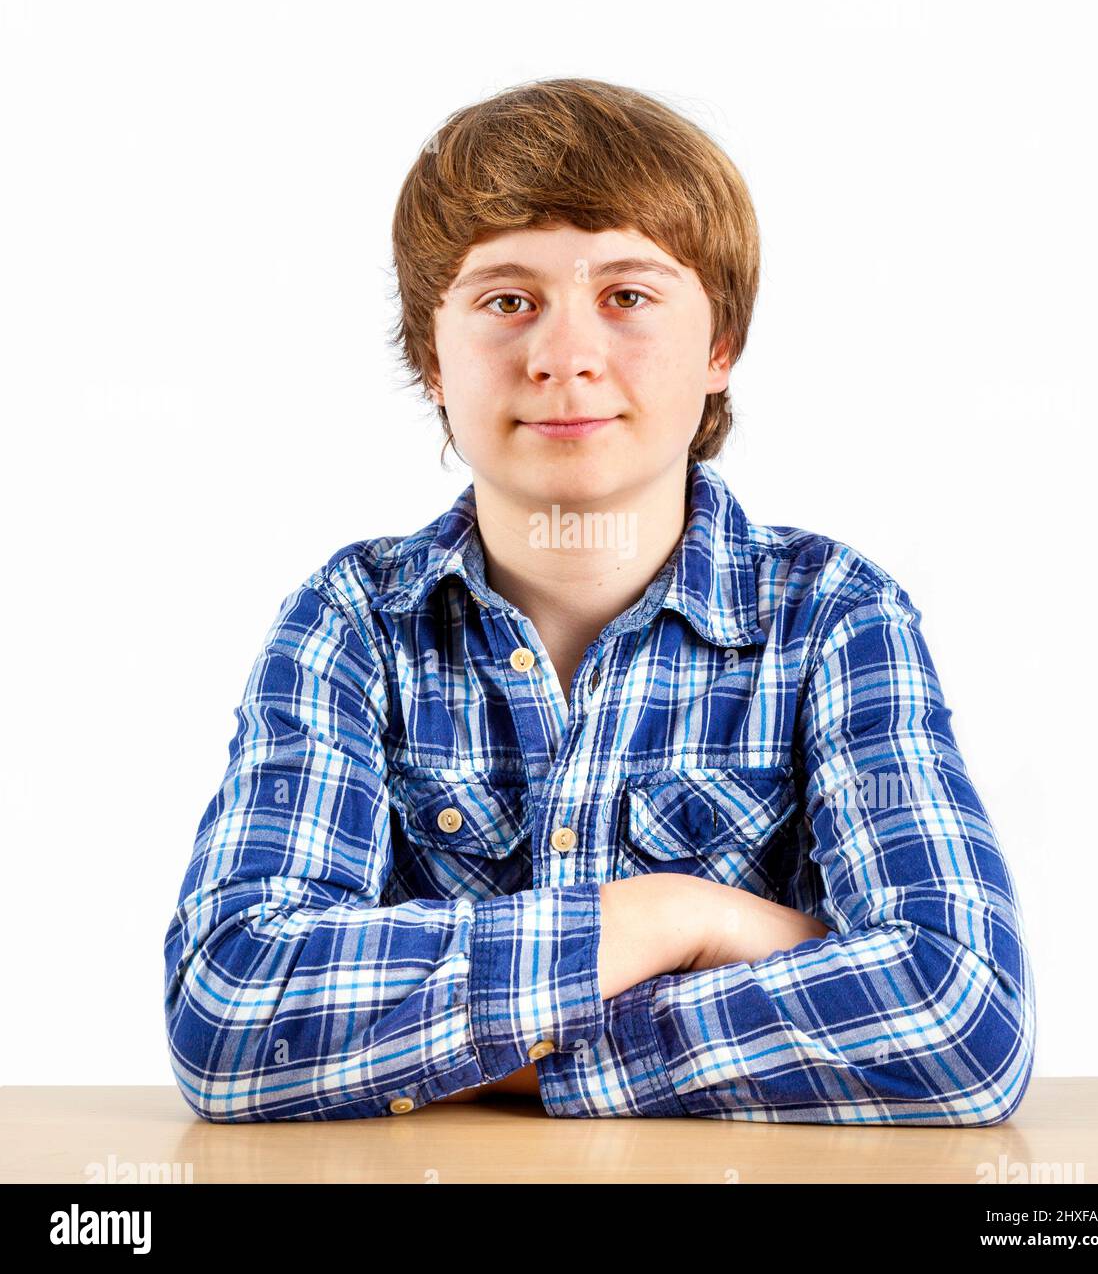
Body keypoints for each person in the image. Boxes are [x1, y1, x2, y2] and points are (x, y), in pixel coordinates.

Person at [163, 77, 1035, 1124]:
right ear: (429, 357)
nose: (562, 357)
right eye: (504, 300)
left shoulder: (833, 616)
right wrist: (675, 917)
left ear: (720, 349)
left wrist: (486, 1056)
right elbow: (233, 1012)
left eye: (627, 296)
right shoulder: (351, 624)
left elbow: (960, 1020)